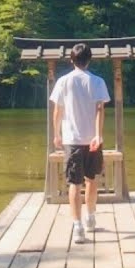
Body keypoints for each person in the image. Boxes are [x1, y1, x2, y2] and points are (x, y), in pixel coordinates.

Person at [49, 42, 110, 243]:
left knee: (74, 184)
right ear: (89, 59)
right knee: (91, 179)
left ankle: (78, 227)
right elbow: (101, 109)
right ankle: (90, 216)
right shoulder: (98, 81)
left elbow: (58, 110)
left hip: (72, 139)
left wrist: (56, 134)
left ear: (71, 60)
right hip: (92, 139)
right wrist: (98, 135)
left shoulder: (63, 81)